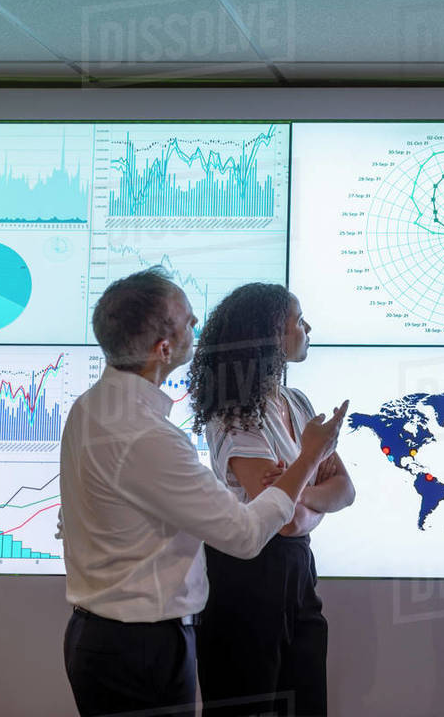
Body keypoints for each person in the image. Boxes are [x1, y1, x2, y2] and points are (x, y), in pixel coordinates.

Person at [59, 267, 347, 717]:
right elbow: (249, 534)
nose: (198, 324)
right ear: (163, 348)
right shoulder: (148, 435)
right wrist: (311, 458)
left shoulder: (91, 408)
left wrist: (296, 488)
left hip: (117, 638)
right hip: (139, 644)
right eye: (187, 320)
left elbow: (337, 492)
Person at [188, 283, 355, 717]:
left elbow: (345, 491)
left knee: (306, 702)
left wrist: (297, 488)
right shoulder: (233, 414)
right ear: (270, 335)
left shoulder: (297, 402)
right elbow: (282, 521)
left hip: (299, 573)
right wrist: (311, 472)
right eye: (298, 321)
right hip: (246, 575)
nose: (308, 328)